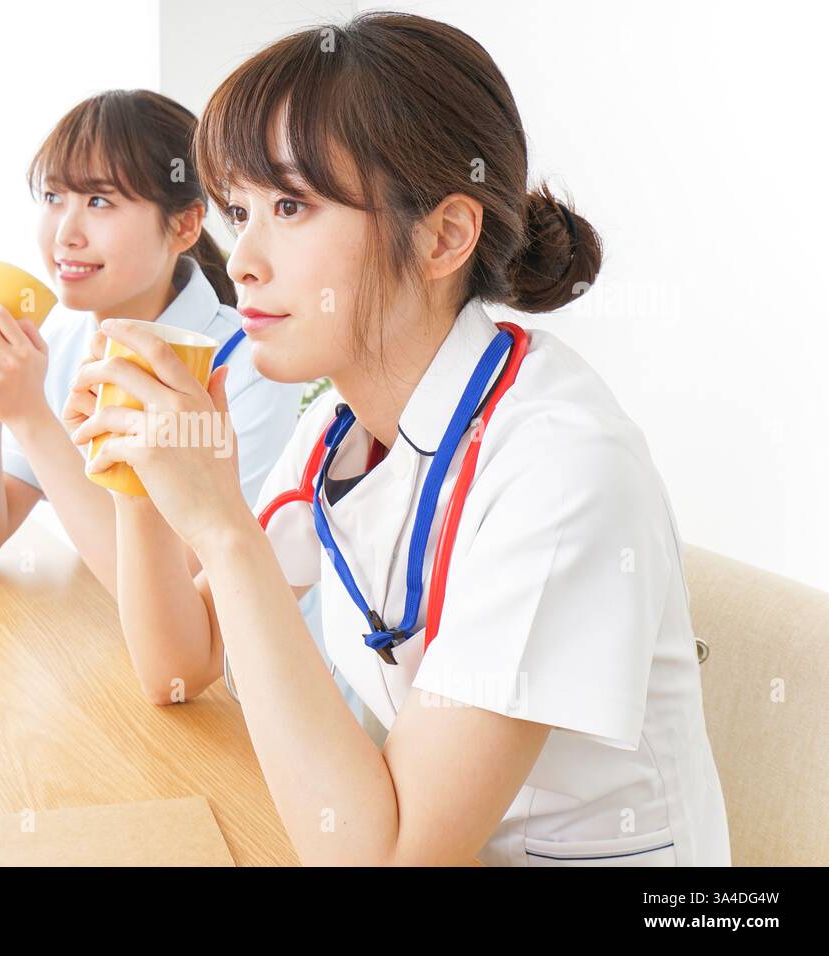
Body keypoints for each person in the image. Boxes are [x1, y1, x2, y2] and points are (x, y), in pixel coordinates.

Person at [66, 12, 730, 866]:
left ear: (443, 236)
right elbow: (176, 668)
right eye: (240, 210)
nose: (244, 261)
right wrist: (140, 468)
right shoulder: (336, 428)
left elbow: (386, 862)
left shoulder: (563, 470)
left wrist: (222, 526)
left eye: (292, 207)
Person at [0, 89, 304, 597]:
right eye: (52, 198)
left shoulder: (249, 366)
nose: (66, 232)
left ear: (184, 225)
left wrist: (29, 415)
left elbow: (181, 590)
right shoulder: (63, 345)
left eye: (99, 201)